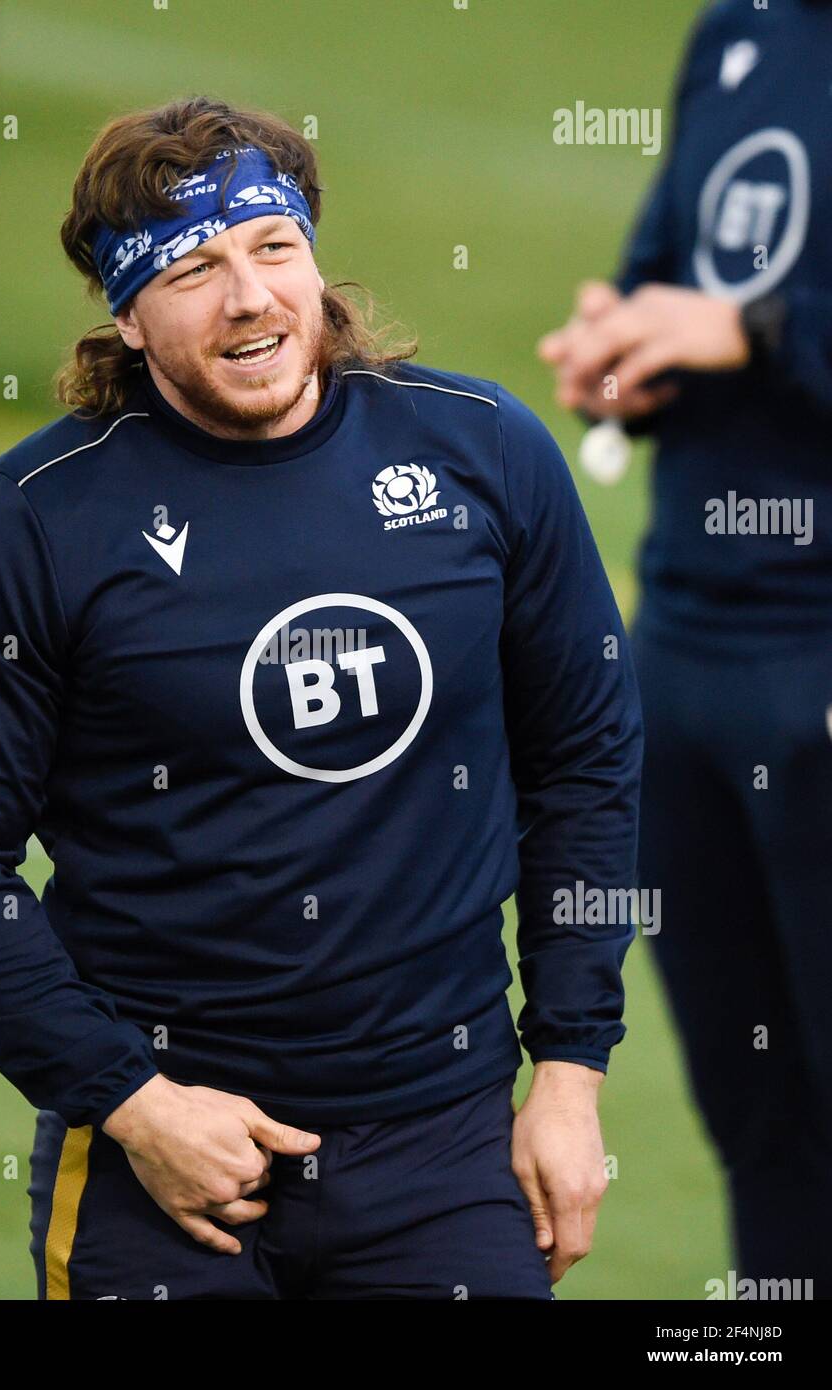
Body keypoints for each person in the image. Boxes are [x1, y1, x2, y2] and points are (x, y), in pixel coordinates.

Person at [0, 95, 642, 1301]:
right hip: (164, 1160)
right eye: (191, 268)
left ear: (313, 259)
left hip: (442, 1144)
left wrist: (569, 1068)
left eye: (272, 248)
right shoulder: (34, 521)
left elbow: (586, 768)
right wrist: (132, 1103)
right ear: (127, 317)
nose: (248, 296)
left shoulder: (485, 452)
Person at [538, 0, 832, 1299]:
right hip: (684, 650)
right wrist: (618, 339)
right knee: (757, 1125)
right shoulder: (740, 29)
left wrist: (763, 331)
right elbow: (669, 261)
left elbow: (745, 313)